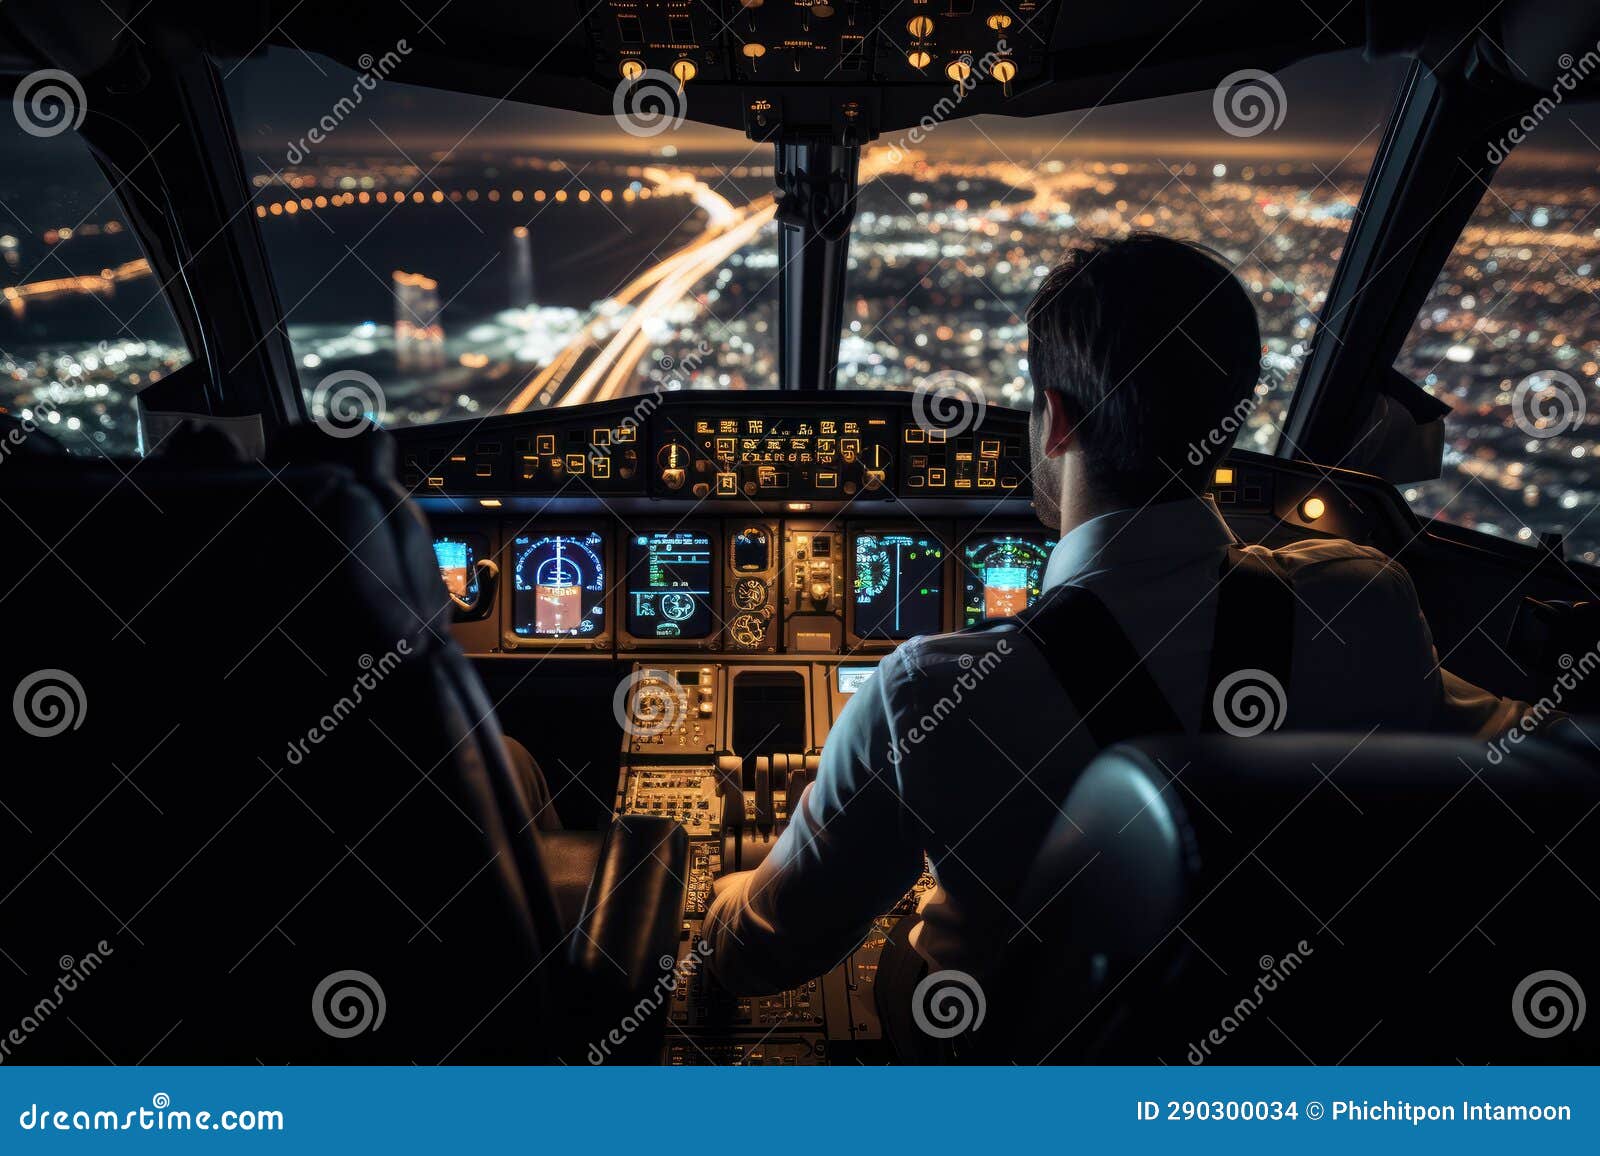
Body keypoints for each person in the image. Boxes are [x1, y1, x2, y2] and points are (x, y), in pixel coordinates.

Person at [701, 233, 1525, 1038]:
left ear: (1055, 419)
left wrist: (708, 899)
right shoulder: (1365, 602)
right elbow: (1527, 760)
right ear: (1232, 416)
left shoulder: (928, 691)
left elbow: (769, 950)